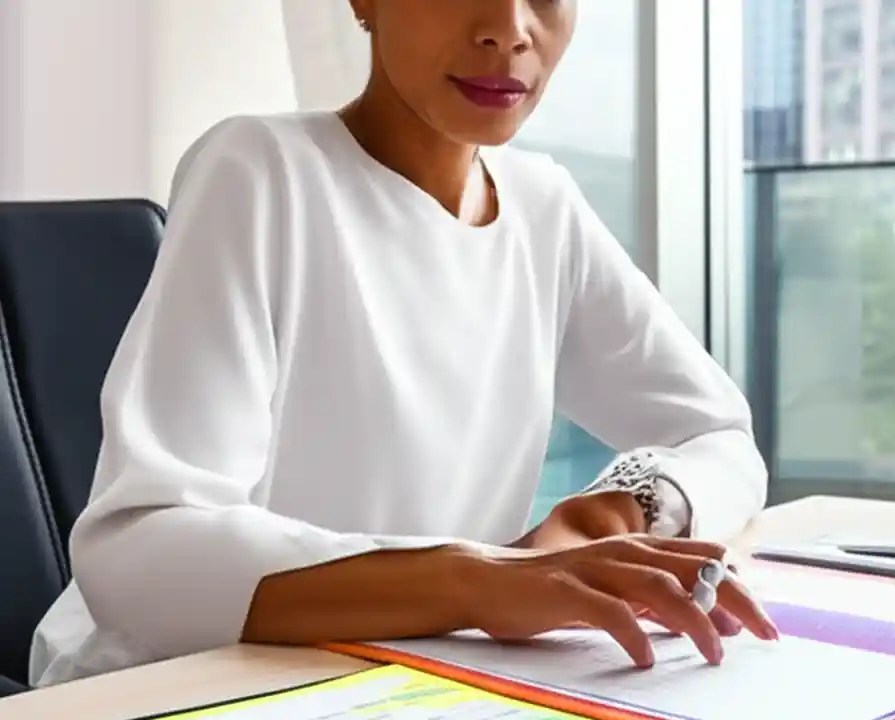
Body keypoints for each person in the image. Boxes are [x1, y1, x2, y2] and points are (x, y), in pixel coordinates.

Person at [29, 0, 777, 687]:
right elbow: (140, 556)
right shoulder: (260, 171)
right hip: (170, 683)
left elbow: (720, 435)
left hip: (409, 677)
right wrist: (477, 582)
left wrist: (606, 517)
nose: (509, 29)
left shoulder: (543, 207)